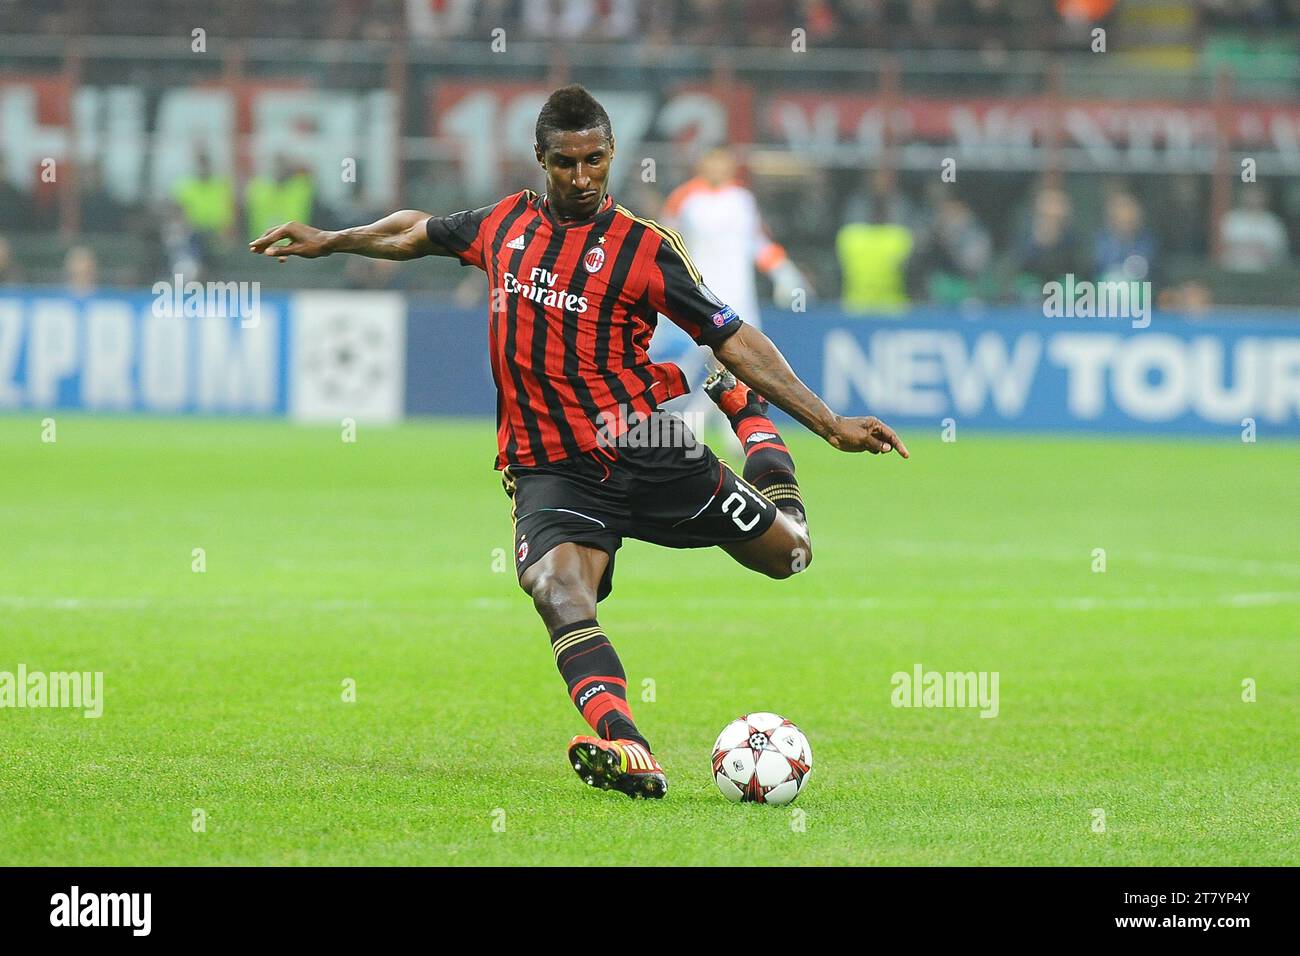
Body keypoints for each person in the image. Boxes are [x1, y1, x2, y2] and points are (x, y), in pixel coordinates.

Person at [250, 85, 908, 800]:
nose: (583, 176)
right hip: (548, 467)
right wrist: (334, 239)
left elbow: (732, 336)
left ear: (612, 155)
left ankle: (748, 419)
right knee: (557, 589)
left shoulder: (645, 247)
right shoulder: (502, 225)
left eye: (595, 160)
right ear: (542, 159)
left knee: (791, 555)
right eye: (566, 162)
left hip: (649, 447)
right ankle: (631, 749)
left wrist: (829, 422)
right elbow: (420, 231)